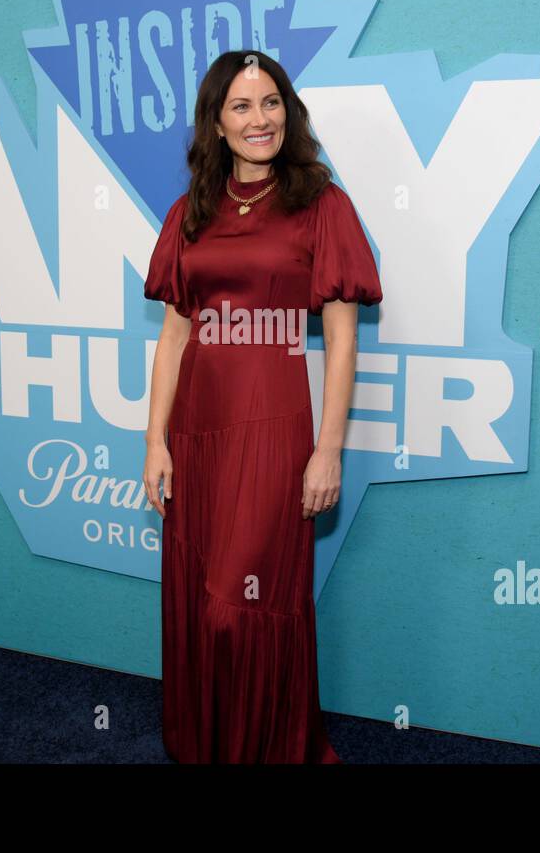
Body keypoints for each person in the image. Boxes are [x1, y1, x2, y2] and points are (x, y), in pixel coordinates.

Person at [142, 49, 382, 763]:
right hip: (198, 428)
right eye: (241, 106)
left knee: (240, 604)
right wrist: (155, 439)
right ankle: (208, 742)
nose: (259, 118)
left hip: (274, 428)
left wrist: (328, 448)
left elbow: (341, 340)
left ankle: (267, 746)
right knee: (199, 592)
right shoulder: (193, 210)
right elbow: (176, 331)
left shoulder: (321, 205)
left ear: (289, 112)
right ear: (216, 122)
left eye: (271, 102)